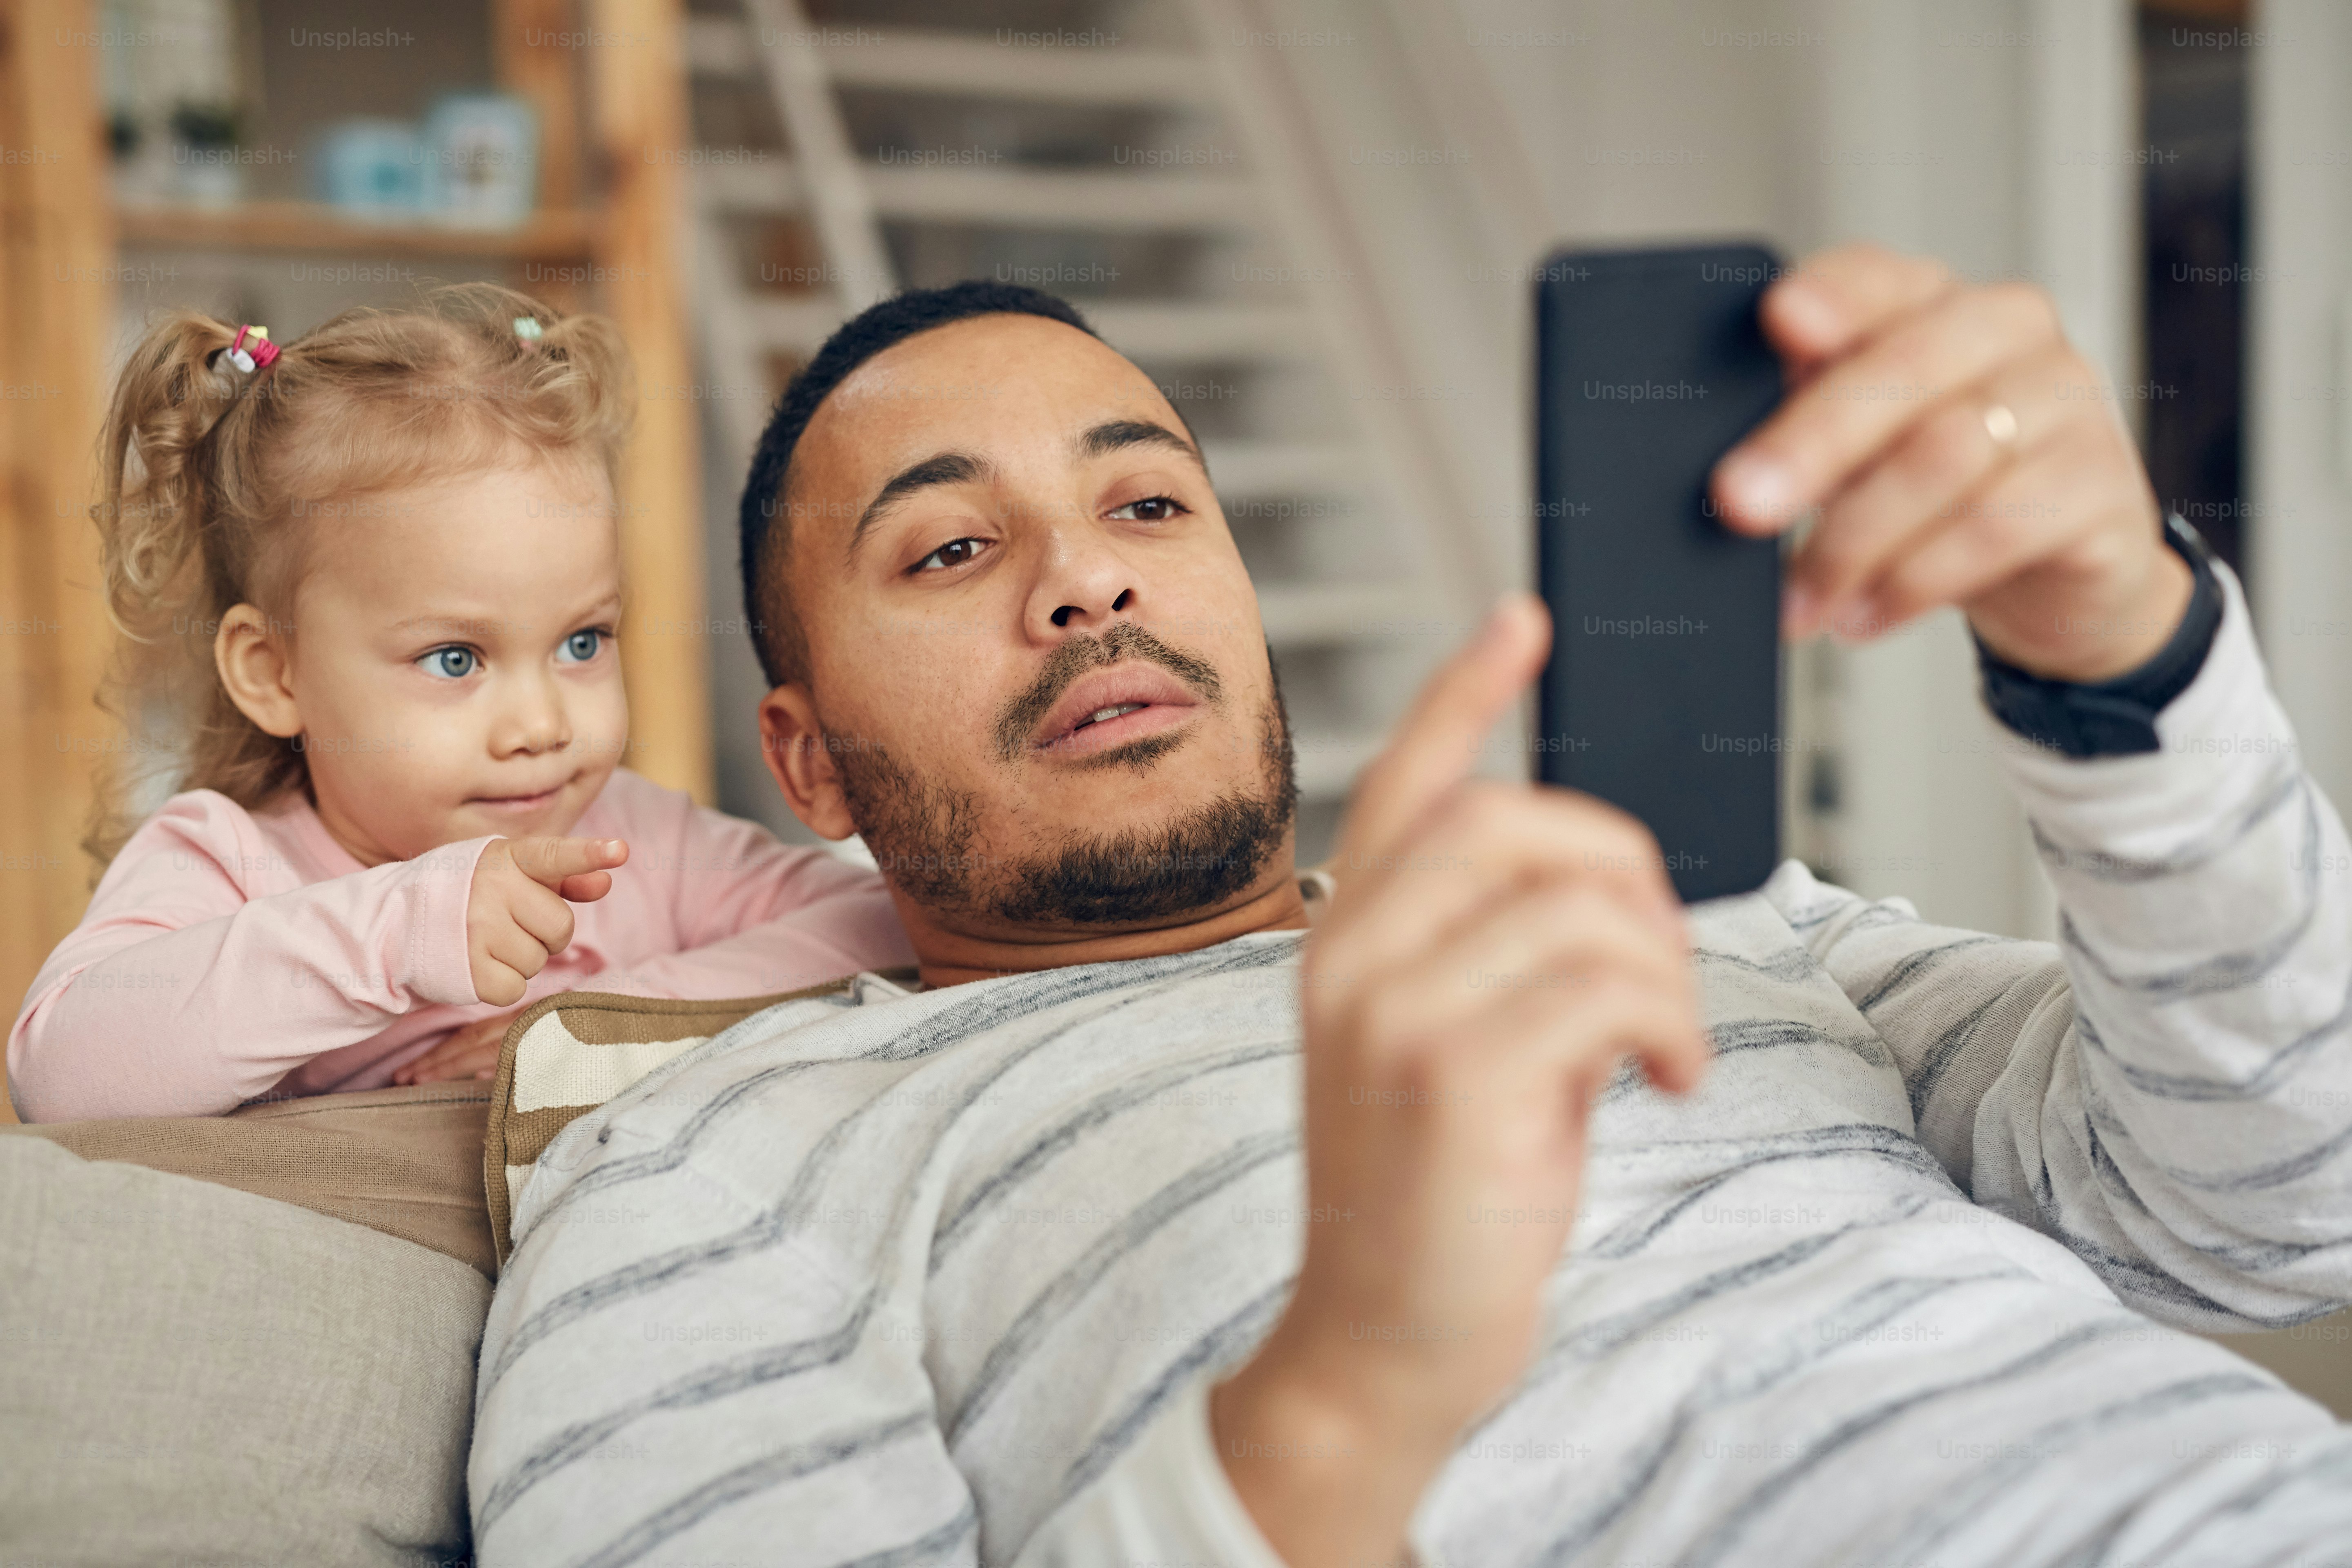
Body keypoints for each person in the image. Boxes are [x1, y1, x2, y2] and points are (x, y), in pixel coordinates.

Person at [470, 252, 2352, 1567]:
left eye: (1149, 507)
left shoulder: (1698, 915)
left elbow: (2284, 1218)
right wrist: (1348, 1388)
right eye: (951, 548)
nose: (1083, 589)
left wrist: (2127, 657)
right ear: (804, 766)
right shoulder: (716, 1157)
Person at [8, 286, 912, 1123]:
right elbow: (61, 1078)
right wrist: (402, 932)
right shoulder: (230, 860)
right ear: (273, 673)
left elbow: (889, 920)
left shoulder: (629, 837)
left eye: (583, 643)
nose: (542, 726)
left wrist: (601, 1020)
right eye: (455, 659)